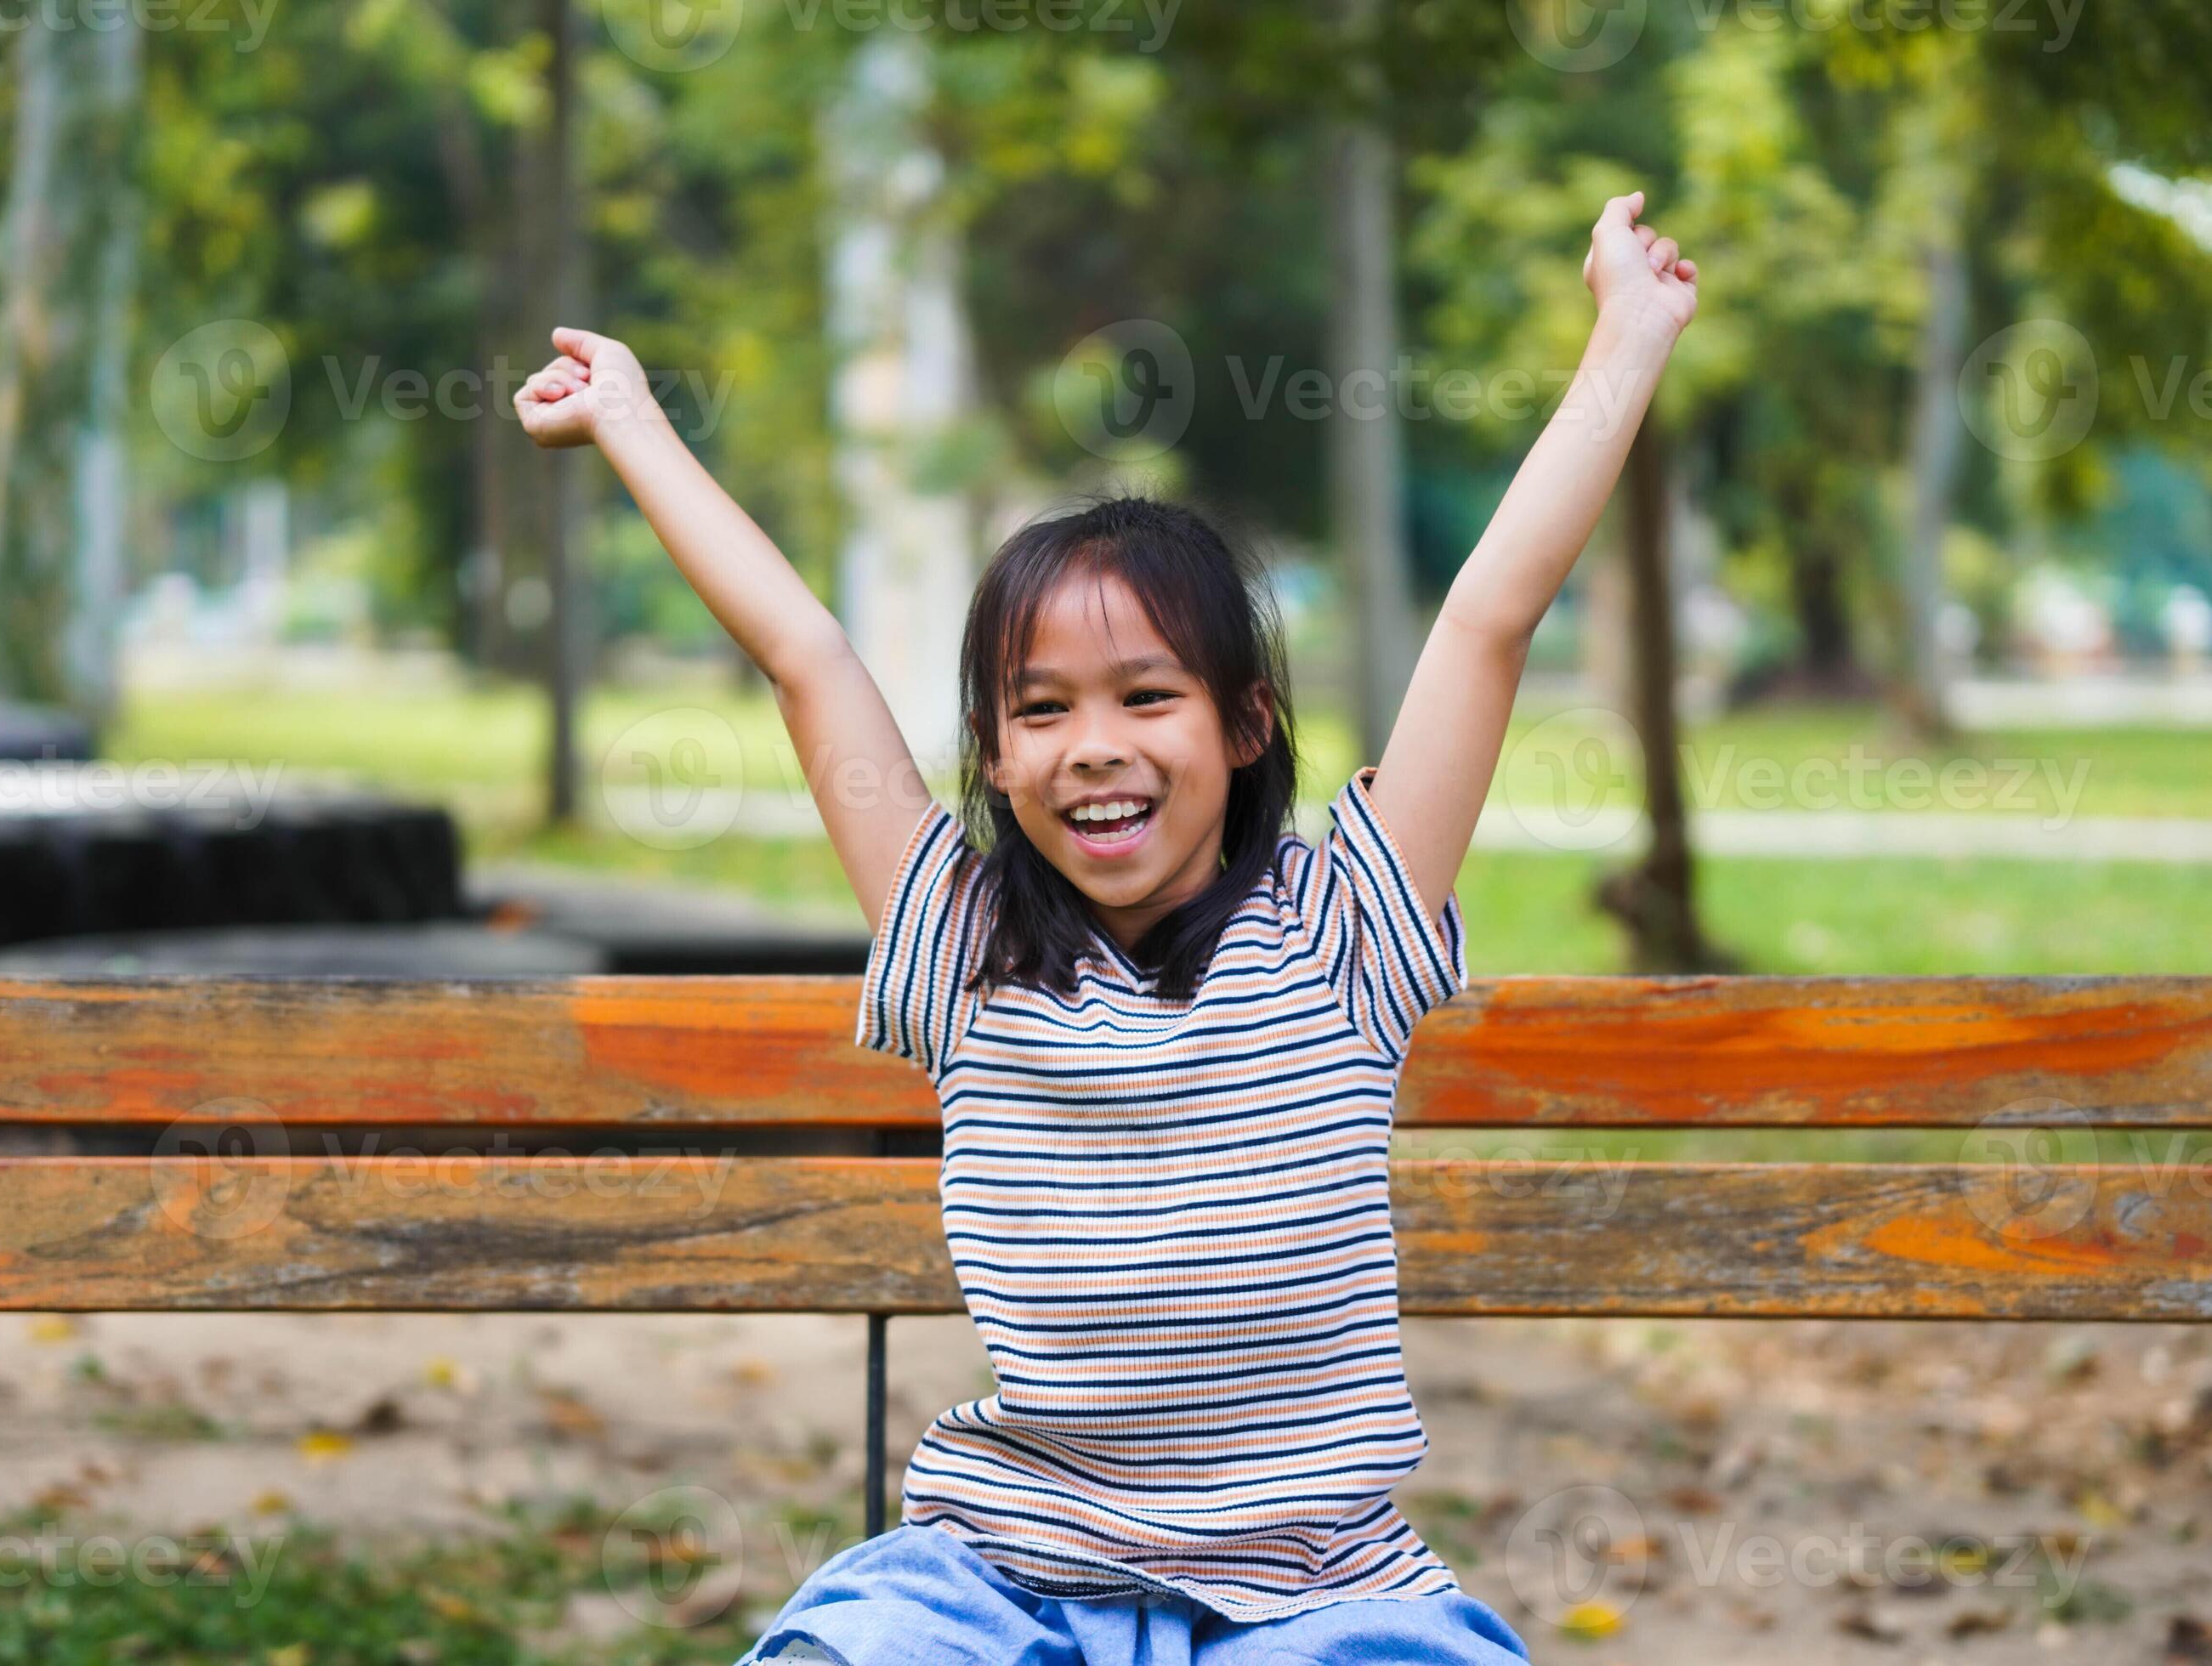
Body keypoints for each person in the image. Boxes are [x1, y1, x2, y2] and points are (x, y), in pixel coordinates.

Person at [518, 190, 1697, 1666]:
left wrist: (1626, 343)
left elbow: (1486, 620)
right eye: (1040, 711)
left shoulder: (1347, 931)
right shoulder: (960, 950)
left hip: (1315, 1596)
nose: (1093, 747)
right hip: (998, 1578)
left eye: (1146, 697)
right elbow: (803, 653)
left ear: (1247, 725)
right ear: (995, 759)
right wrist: (630, 418)